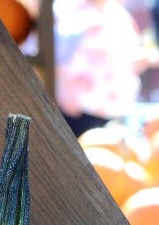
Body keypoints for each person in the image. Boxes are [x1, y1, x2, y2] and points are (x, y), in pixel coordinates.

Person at [54, 0, 144, 136]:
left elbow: (125, 61)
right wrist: (65, 95)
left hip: (109, 113)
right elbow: (56, 55)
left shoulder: (119, 16)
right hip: (76, 112)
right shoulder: (66, 10)